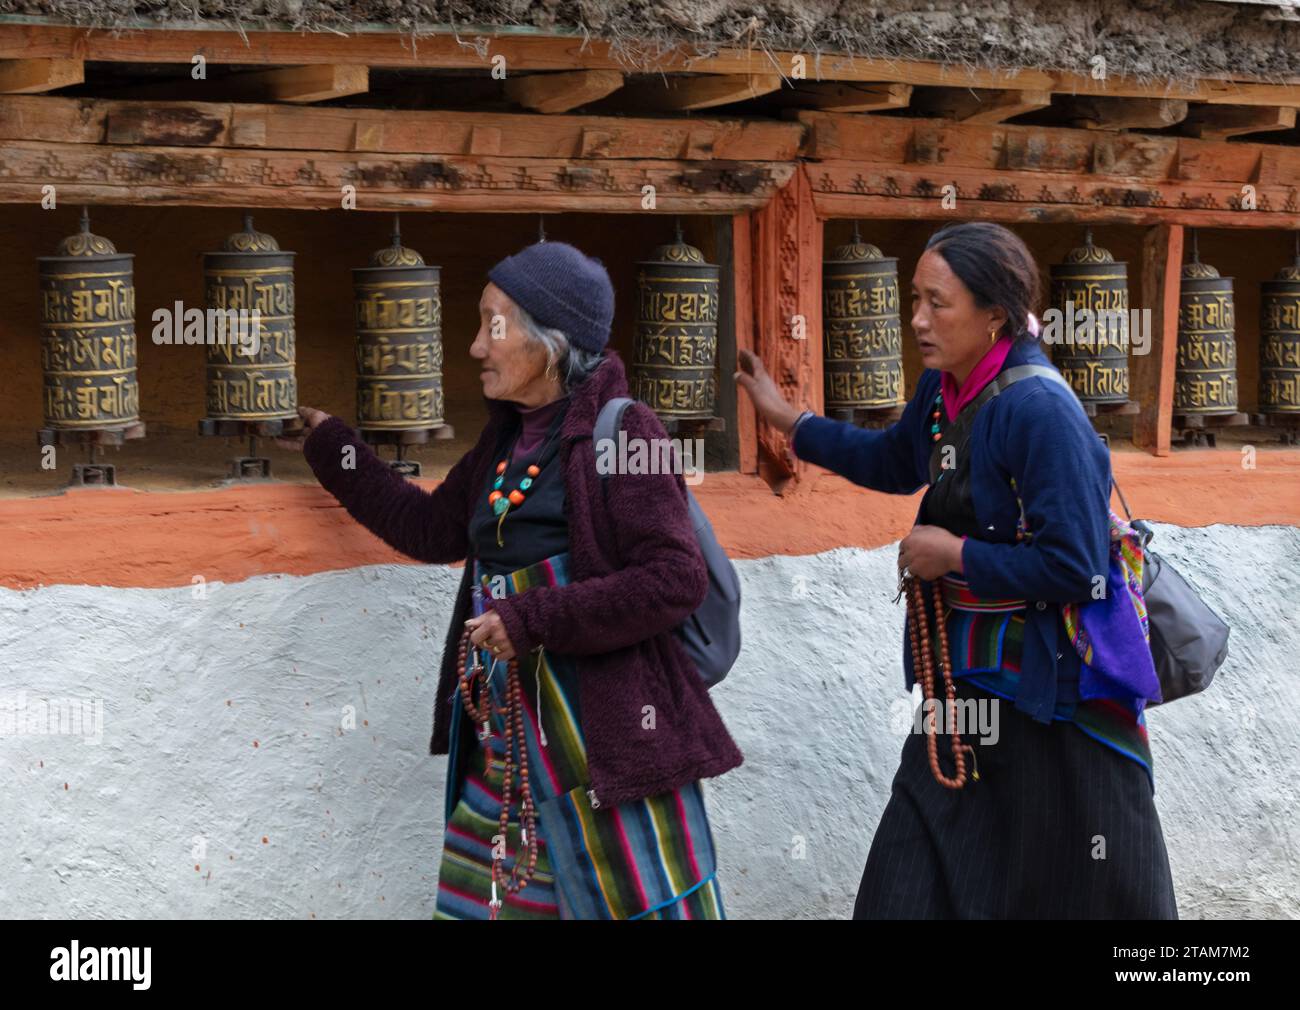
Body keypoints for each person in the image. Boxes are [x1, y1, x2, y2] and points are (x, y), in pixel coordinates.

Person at [279, 240, 741, 919]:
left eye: (493, 325)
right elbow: (432, 529)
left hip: (603, 740)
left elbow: (674, 579)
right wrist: (334, 447)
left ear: (550, 344)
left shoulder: (627, 431)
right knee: (488, 899)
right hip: (514, 738)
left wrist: (530, 619)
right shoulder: (505, 441)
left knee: (626, 900)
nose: (475, 347)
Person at [735, 221, 1177, 919]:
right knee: (905, 887)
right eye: (915, 299)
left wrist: (957, 556)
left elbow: (1077, 566)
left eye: (937, 303)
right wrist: (790, 421)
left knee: (1079, 889)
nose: (917, 319)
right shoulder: (947, 391)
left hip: (1051, 702)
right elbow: (894, 462)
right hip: (963, 691)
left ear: (995, 312)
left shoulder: (1040, 412)